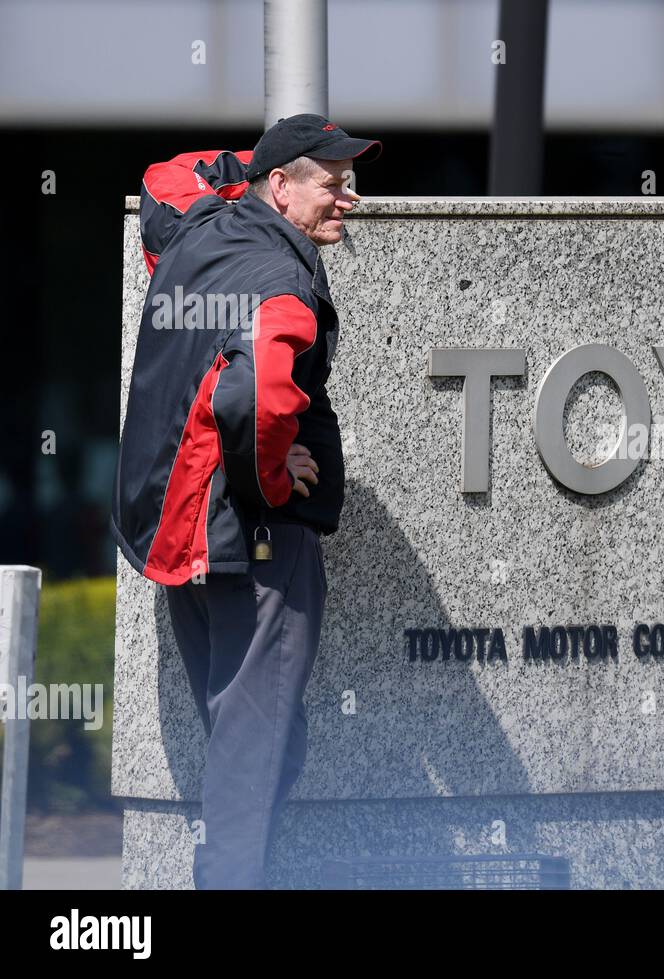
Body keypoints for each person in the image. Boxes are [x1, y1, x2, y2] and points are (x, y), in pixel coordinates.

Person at [110, 114, 382, 889]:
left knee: (241, 728)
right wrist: (271, 476)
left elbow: (165, 174)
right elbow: (257, 397)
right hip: (251, 537)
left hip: (172, 532)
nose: (348, 198)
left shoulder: (195, 228)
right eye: (332, 184)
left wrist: (253, 163)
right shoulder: (284, 281)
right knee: (258, 743)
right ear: (281, 187)